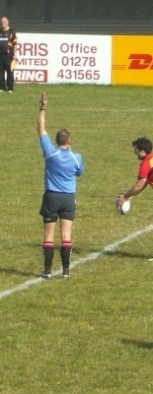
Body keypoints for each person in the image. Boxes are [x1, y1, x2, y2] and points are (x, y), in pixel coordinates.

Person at [36, 93, 85, 279]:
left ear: (56, 141)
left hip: (51, 196)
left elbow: (41, 129)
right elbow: (79, 173)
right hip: (67, 197)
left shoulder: (50, 153)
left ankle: (47, 272)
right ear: (69, 141)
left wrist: (43, 107)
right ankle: (65, 272)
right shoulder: (76, 157)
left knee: (48, 236)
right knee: (66, 236)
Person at [0, 16, 19, 93]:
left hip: (9, 56)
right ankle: (2, 87)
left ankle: (10, 88)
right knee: (0, 72)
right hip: (0, 56)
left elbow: (15, 44)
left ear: (8, 22)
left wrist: (14, 54)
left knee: (10, 72)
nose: (2, 23)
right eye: (1, 22)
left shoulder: (11, 31)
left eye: (4, 21)